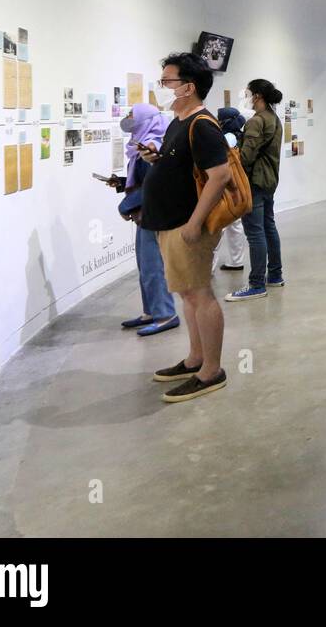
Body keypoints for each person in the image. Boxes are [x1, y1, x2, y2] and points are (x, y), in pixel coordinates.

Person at [138, 52, 233, 403]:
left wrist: (195, 224)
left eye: (168, 81)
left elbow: (219, 175)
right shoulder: (180, 121)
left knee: (199, 294)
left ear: (189, 87)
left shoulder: (203, 124)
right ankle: (196, 358)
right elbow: (182, 166)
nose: (162, 86)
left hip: (186, 225)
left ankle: (212, 371)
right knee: (188, 294)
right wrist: (156, 157)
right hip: (170, 223)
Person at [105, 103, 178, 335]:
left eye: (132, 115)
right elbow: (142, 179)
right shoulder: (141, 146)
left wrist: (126, 204)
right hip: (146, 213)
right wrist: (122, 183)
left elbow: (154, 183)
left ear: (146, 120)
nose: (127, 119)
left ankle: (166, 314)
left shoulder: (153, 145)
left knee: (153, 265)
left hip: (155, 213)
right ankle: (151, 311)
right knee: (145, 265)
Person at [226, 79, 284, 301]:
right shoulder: (274, 119)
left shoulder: (256, 122)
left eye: (248, 93)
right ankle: (275, 275)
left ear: (257, 96)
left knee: (255, 232)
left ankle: (257, 284)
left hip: (255, 182)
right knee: (268, 226)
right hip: (269, 181)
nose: (246, 97)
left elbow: (246, 157)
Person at [212, 106, 248, 273]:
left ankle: (209, 267)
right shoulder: (239, 136)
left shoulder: (228, 138)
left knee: (219, 225)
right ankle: (236, 261)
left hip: (227, 186)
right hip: (237, 185)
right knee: (234, 224)